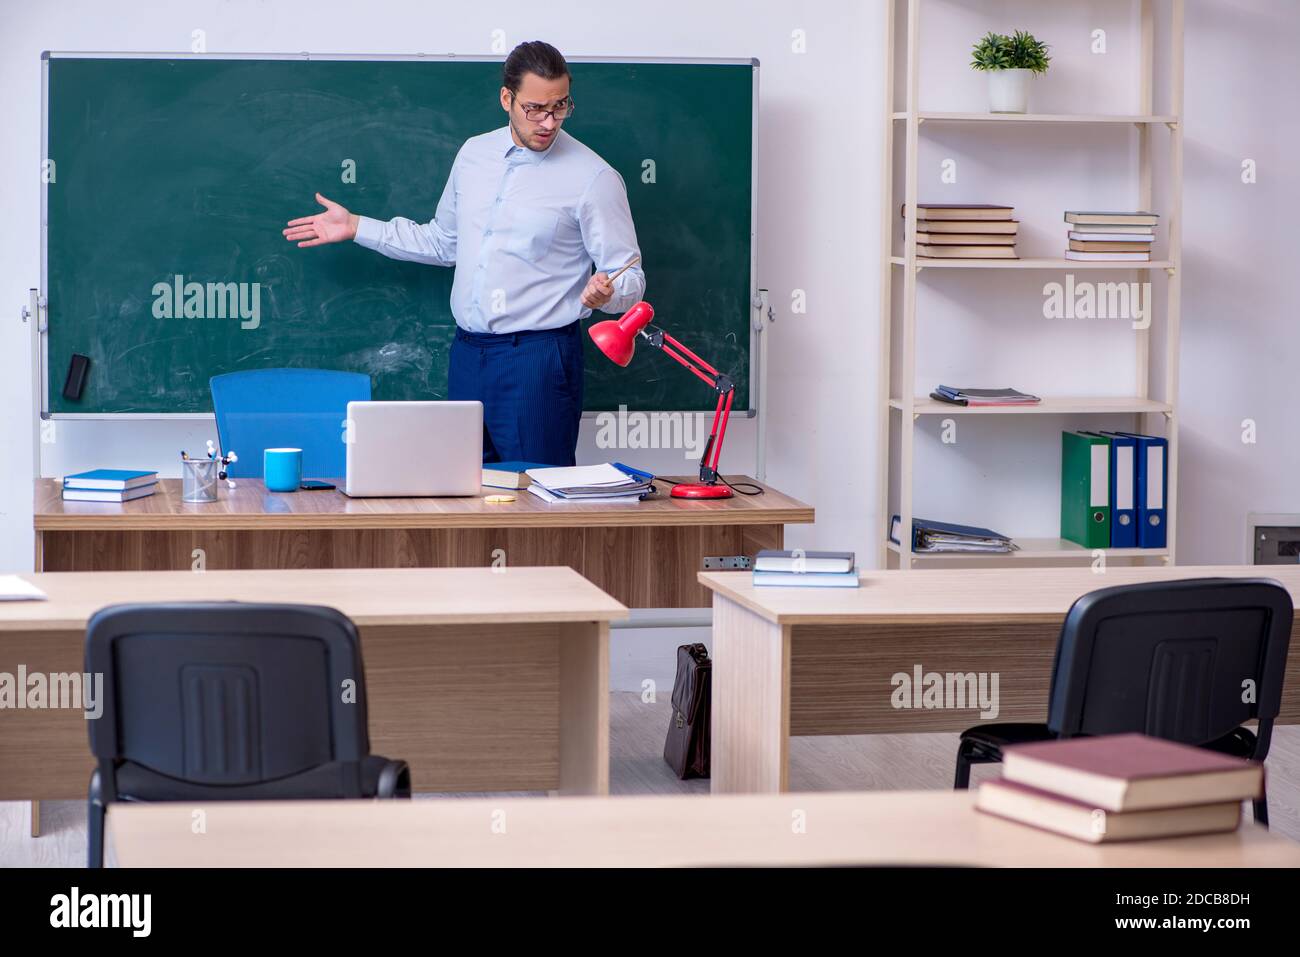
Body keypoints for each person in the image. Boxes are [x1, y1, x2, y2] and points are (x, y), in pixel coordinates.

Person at [283, 40, 645, 466]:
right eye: (535, 108)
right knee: (464, 492)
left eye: (561, 106)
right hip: (468, 356)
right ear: (506, 99)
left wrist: (609, 296)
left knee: (536, 500)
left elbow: (630, 278)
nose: (549, 122)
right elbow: (443, 242)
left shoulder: (593, 177)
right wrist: (358, 226)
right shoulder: (474, 154)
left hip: (538, 362)